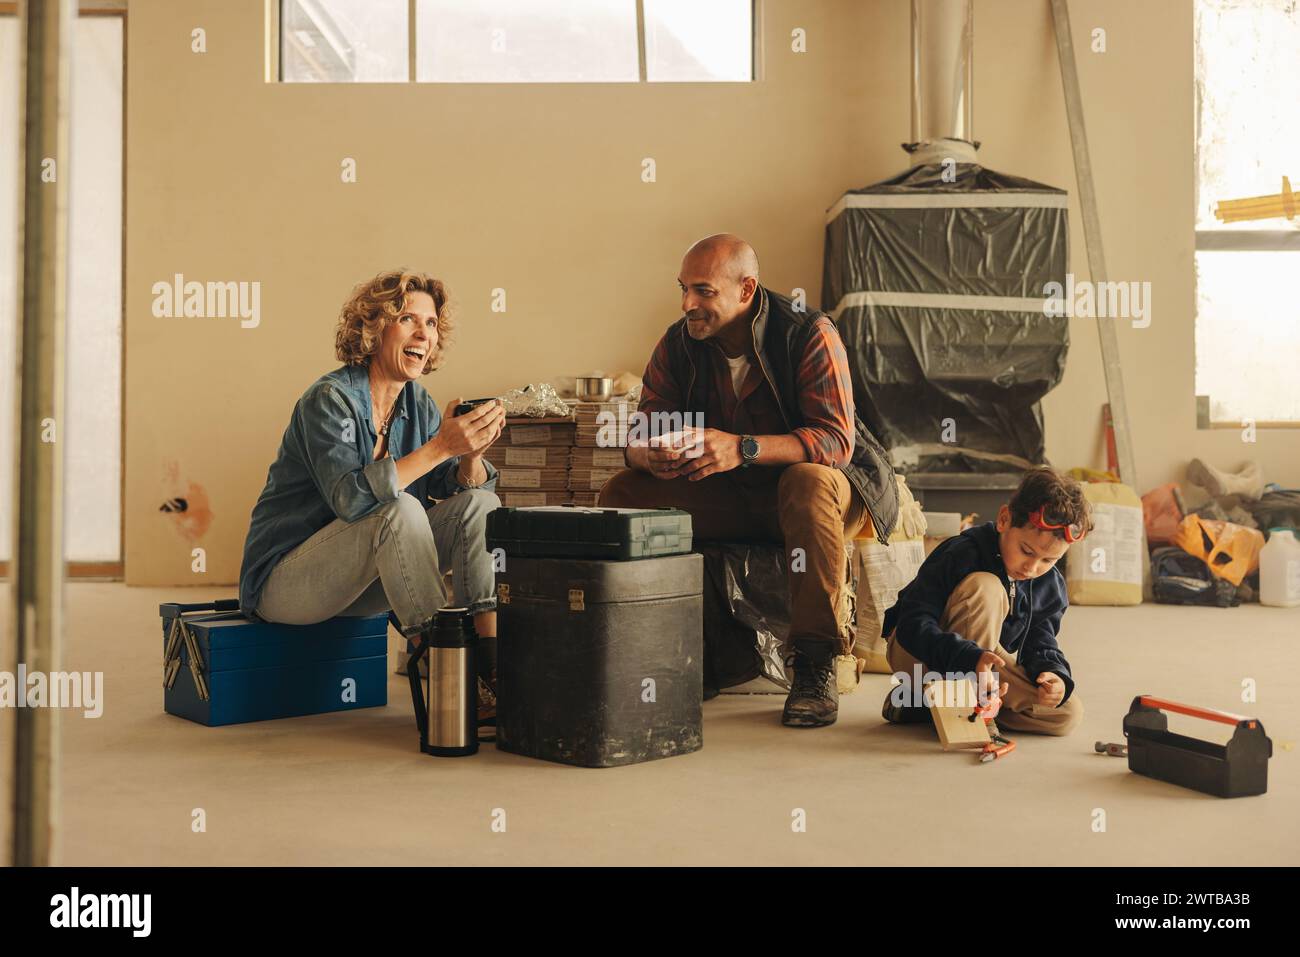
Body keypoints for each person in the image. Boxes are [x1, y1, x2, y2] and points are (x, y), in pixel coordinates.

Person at [598, 234, 899, 728]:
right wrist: (649, 455)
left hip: (821, 498)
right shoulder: (680, 342)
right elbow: (638, 433)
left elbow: (834, 443)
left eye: (703, 291)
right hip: (739, 495)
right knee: (624, 494)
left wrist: (741, 447)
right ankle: (690, 651)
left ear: (746, 289)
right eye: (683, 290)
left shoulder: (807, 332)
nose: (687, 304)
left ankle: (816, 665)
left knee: (806, 482)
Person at [238, 268, 506, 712]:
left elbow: (450, 486)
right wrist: (442, 446)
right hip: (289, 584)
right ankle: (442, 667)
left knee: (481, 503)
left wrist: (470, 453)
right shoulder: (329, 399)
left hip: (362, 583)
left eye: (433, 323)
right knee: (394, 510)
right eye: (408, 319)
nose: (425, 333)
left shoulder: (415, 402)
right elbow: (351, 500)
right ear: (376, 327)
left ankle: (491, 669)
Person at [880, 466, 1089, 736]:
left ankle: (932, 704)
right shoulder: (962, 552)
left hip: (982, 663)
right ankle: (965, 708)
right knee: (986, 587)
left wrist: (1052, 673)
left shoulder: (1049, 583)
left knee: (1065, 713)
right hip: (918, 652)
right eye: (1026, 551)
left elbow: (1040, 640)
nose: (1032, 567)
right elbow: (912, 624)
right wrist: (969, 658)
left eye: (1049, 560)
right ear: (1004, 520)